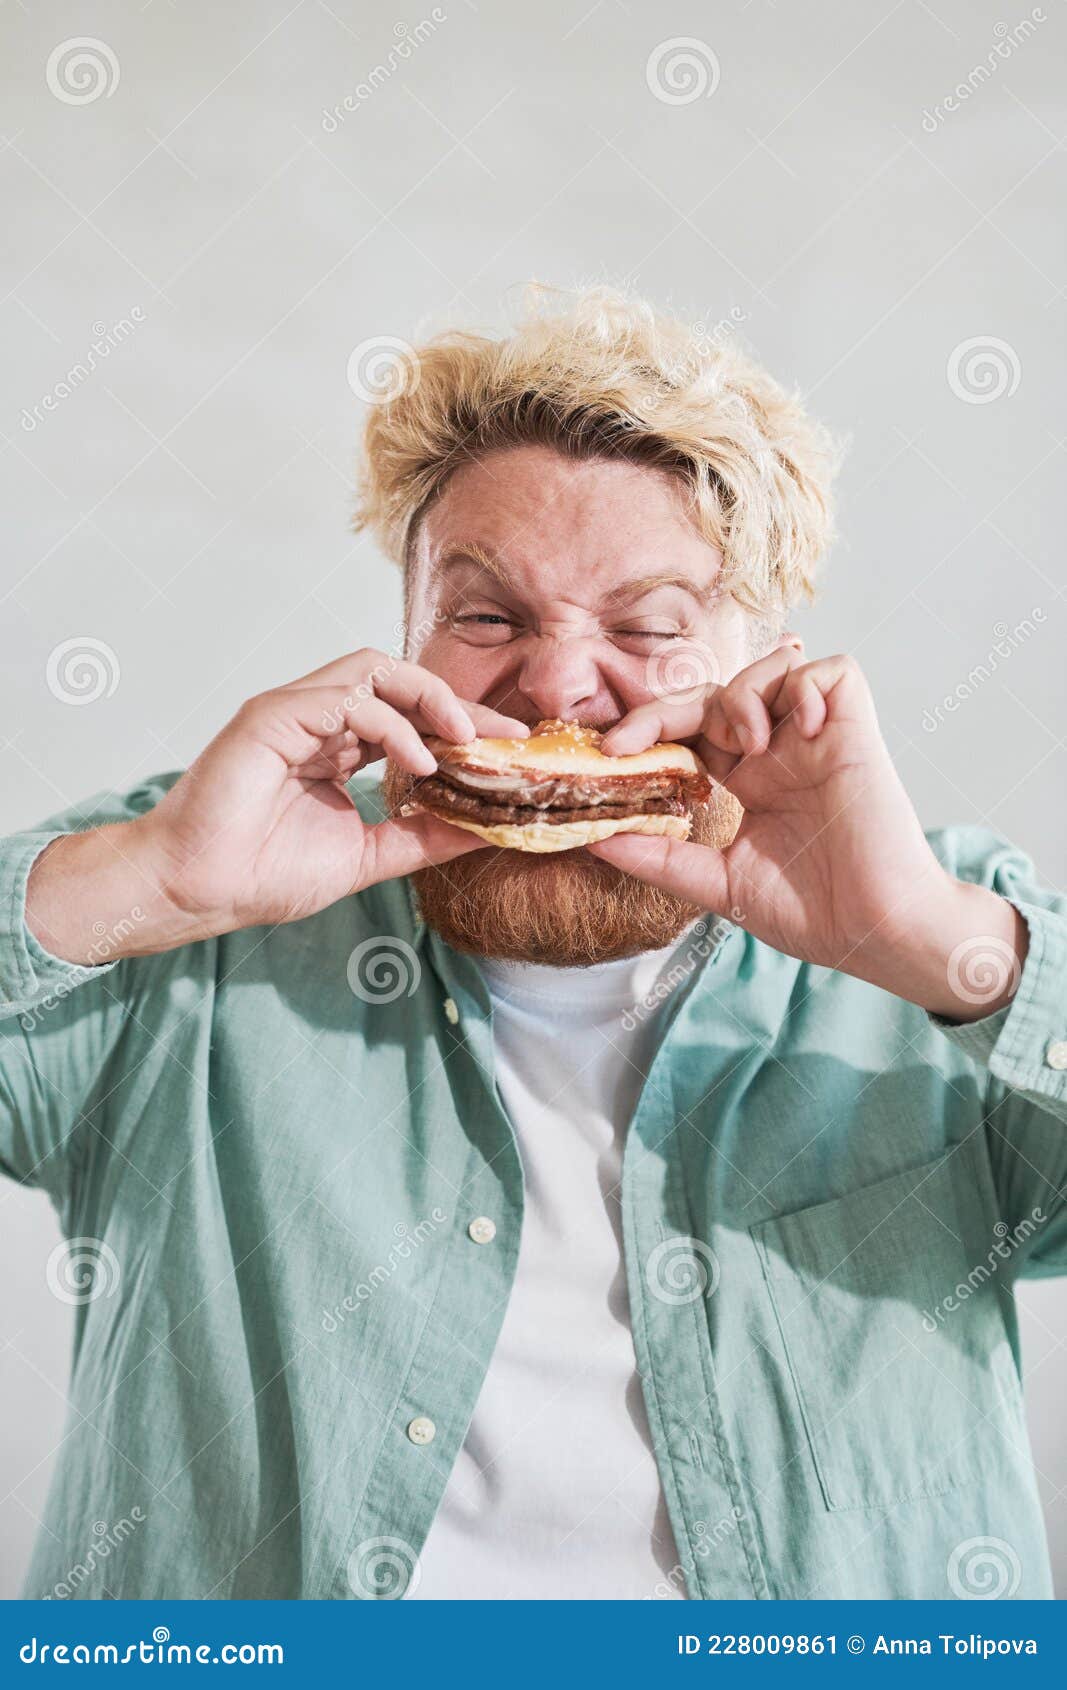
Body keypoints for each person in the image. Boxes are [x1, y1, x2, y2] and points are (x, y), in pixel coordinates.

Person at [2, 288, 1063, 1602]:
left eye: (650, 625)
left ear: (760, 662)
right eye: (489, 618)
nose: (559, 688)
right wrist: (147, 878)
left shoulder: (941, 937)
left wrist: (931, 943)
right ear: (405, 639)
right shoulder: (186, 919)